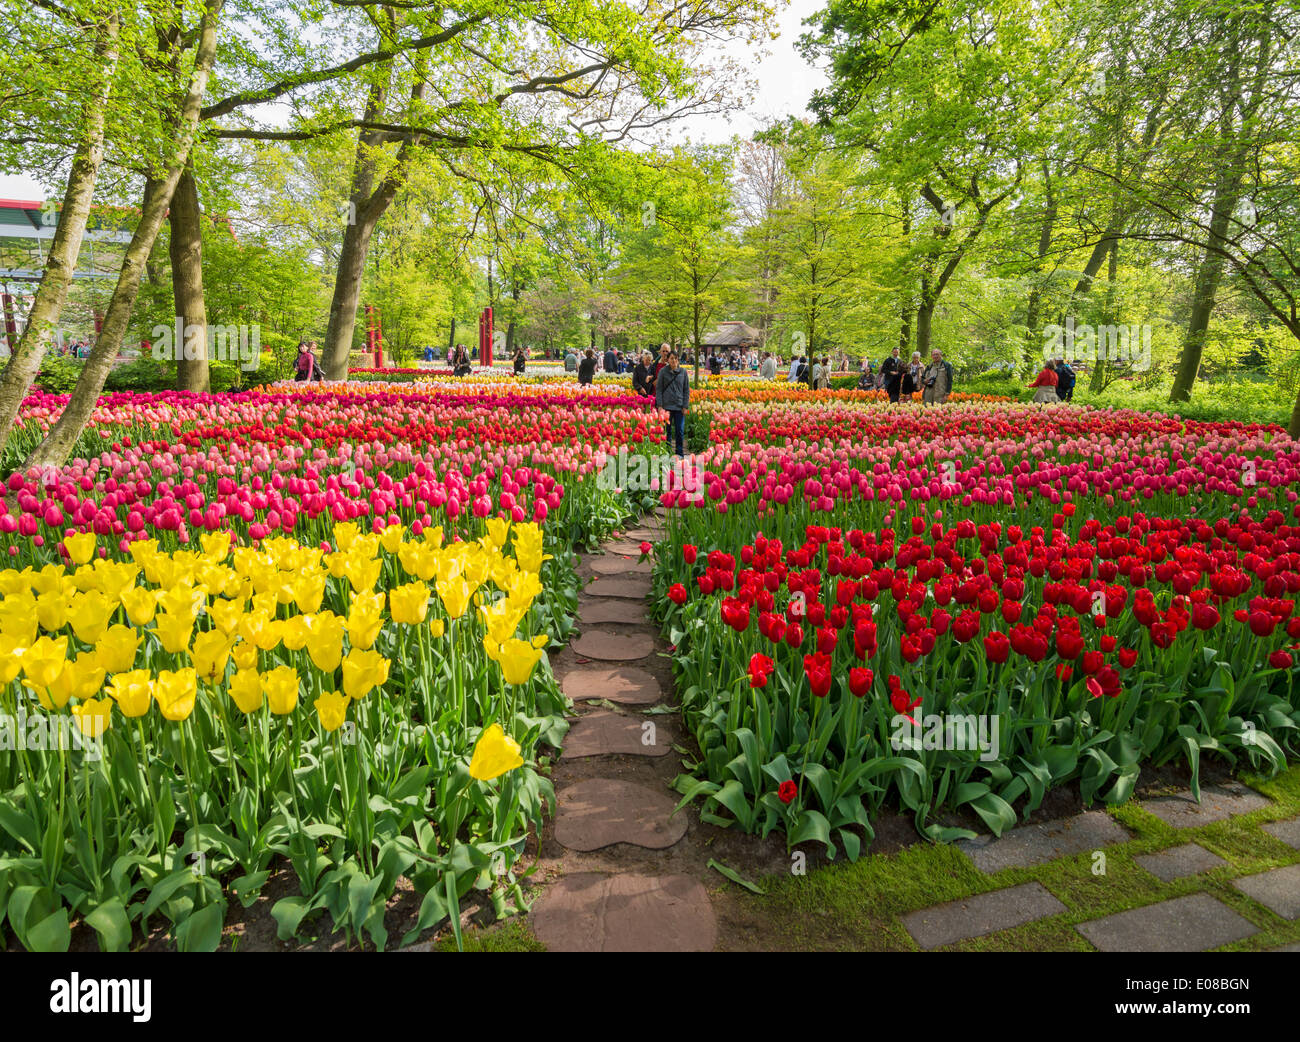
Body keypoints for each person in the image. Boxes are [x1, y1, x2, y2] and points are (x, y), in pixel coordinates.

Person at [655, 350, 690, 457]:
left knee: (679, 430)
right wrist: (660, 406)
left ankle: (679, 453)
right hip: (667, 407)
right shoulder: (663, 372)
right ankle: (668, 452)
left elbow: (686, 390)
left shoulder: (683, 372)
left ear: (678, 360)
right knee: (667, 431)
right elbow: (659, 389)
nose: (674, 360)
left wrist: (685, 406)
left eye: (675, 358)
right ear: (668, 360)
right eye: (671, 358)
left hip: (679, 406)